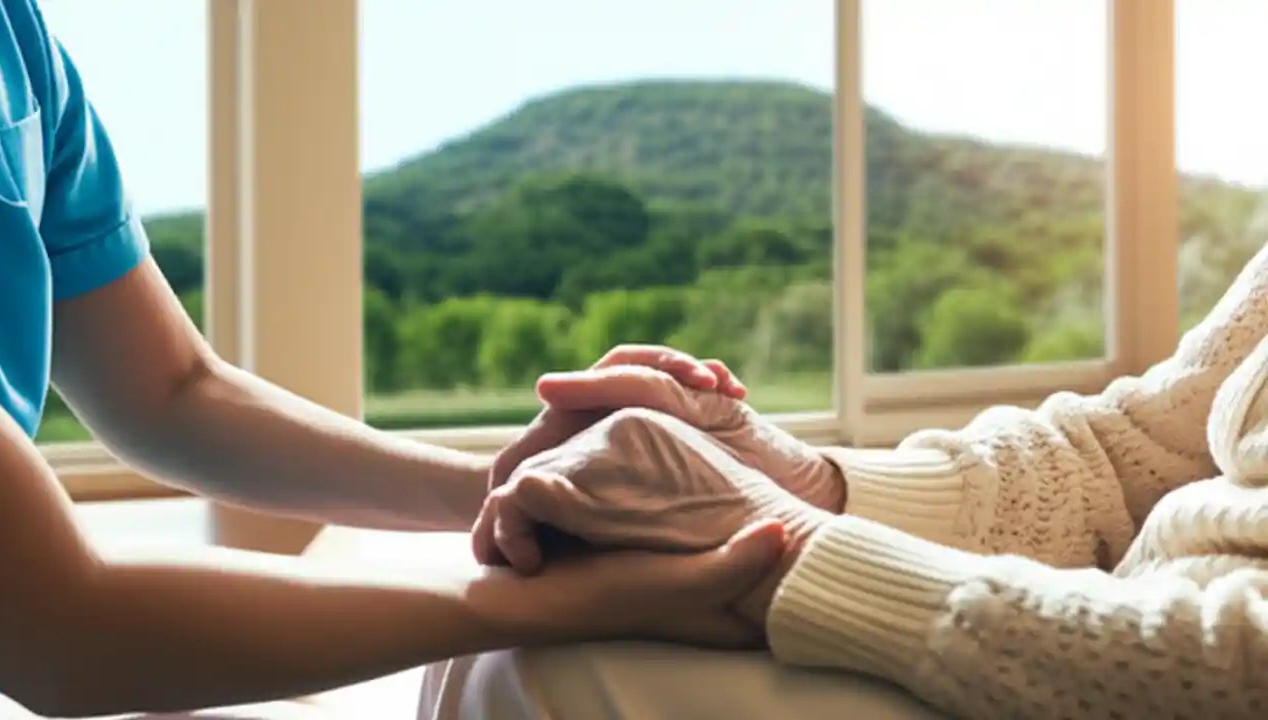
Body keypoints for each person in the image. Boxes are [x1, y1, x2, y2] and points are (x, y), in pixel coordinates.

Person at [0, 1, 778, 716]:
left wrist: (512, 490)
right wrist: (568, 603)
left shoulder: (16, 42)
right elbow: (58, 625)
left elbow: (172, 390)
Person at [440, 241, 1268, 718]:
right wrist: (804, 480)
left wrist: (793, 546)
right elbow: (1136, 450)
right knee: (517, 637)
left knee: (549, 678)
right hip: (1115, 615)